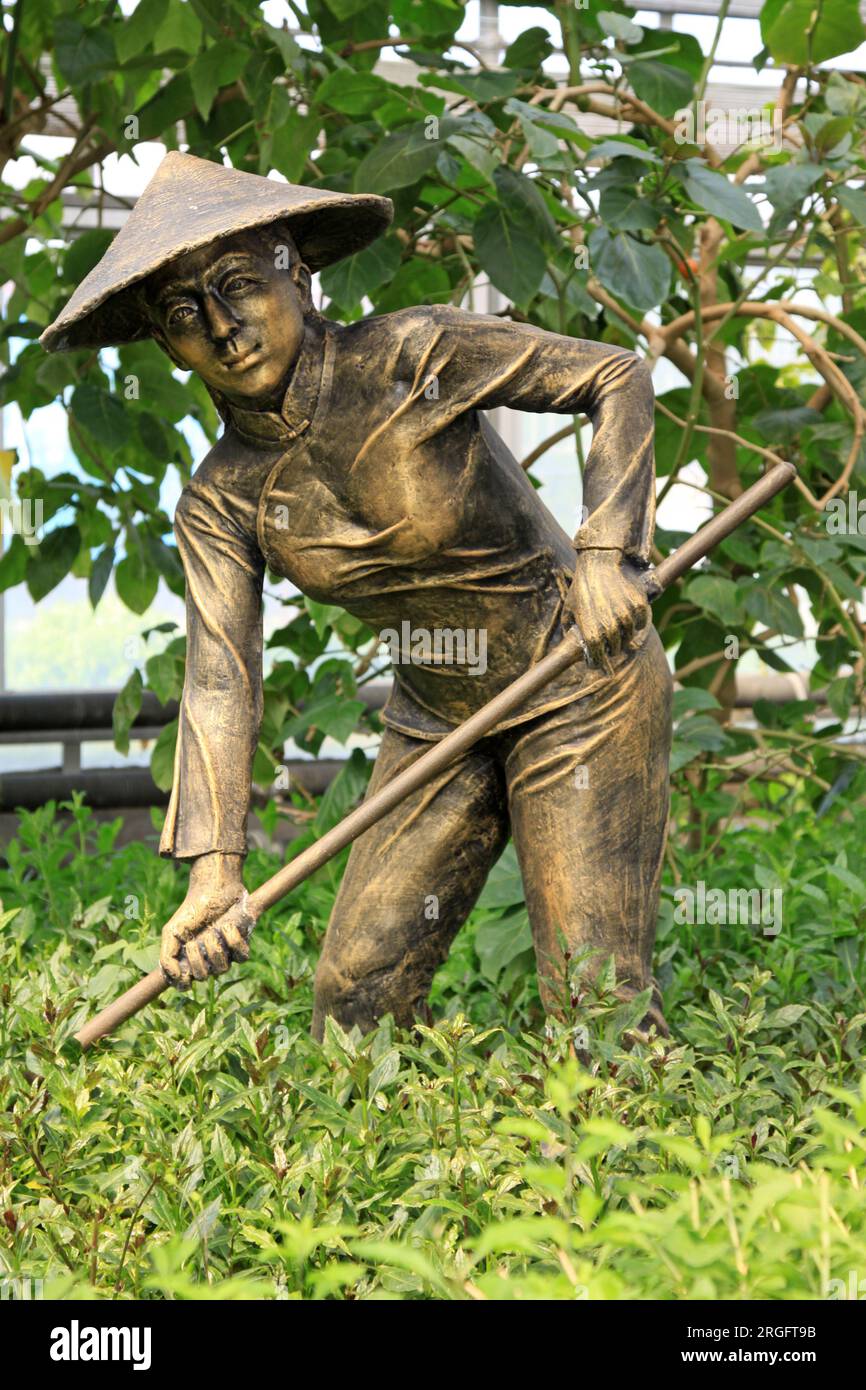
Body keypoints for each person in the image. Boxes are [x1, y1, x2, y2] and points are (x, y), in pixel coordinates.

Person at [42, 151, 673, 1040]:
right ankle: (419, 1166)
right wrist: (214, 870)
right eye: (186, 314)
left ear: (295, 272)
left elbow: (614, 376)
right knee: (356, 995)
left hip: (575, 682)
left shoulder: (414, 354)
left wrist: (609, 552)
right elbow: (222, 680)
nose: (224, 327)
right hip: (437, 721)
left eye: (237, 285)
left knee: (595, 1003)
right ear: (166, 343)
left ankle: (649, 1168)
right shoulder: (219, 499)